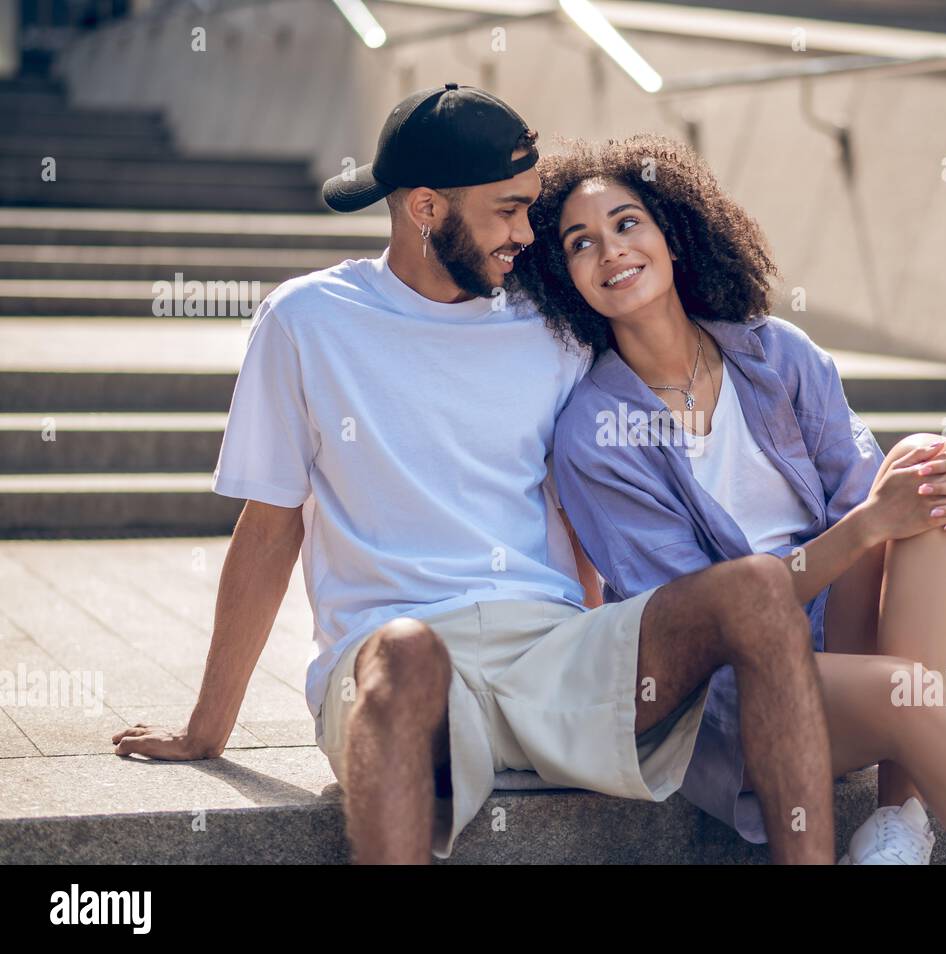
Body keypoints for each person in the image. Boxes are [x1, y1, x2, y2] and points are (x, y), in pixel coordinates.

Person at [109, 87, 850, 865]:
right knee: (404, 650)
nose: (528, 234)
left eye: (531, 210)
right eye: (507, 211)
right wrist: (207, 730)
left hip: (554, 656)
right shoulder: (307, 322)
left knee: (759, 586)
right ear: (426, 208)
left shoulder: (550, 323)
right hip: (398, 667)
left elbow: (575, 501)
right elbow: (269, 528)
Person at [510, 133, 946, 864]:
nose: (610, 252)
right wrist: (867, 527)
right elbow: (705, 619)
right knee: (906, 688)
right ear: (562, 274)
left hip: (845, 635)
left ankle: (895, 821)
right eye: (580, 243)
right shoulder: (593, 434)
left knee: (923, 461)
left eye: (627, 223)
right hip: (737, 692)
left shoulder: (775, 353)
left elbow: (876, 508)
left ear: (673, 234)